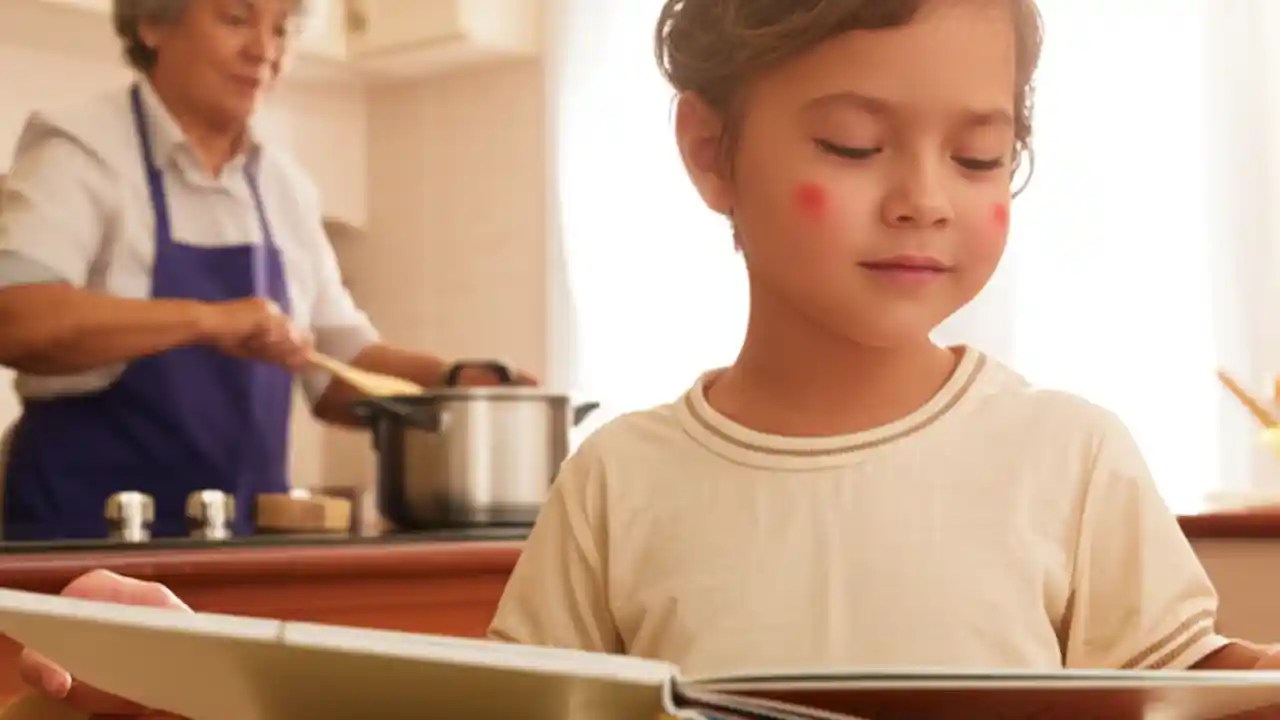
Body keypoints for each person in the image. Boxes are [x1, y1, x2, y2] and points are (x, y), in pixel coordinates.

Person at [10, 0, 1280, 716]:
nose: (922, 199)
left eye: (977, 156)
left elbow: (1185, 682)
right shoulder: (617, 479)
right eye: (850, 144)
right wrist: (196, 684)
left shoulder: (1069, 454)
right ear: (710, 152)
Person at [0, 0, 529, 541]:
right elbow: (17, 316)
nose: (265, 51)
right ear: (153, 22)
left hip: (240, 546)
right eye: (235, 19)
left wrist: (457, 385)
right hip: (81, 537)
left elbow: (337, 367)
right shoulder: (80, 149)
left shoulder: (284, 188)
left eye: (283, 30)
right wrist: (208, 321)